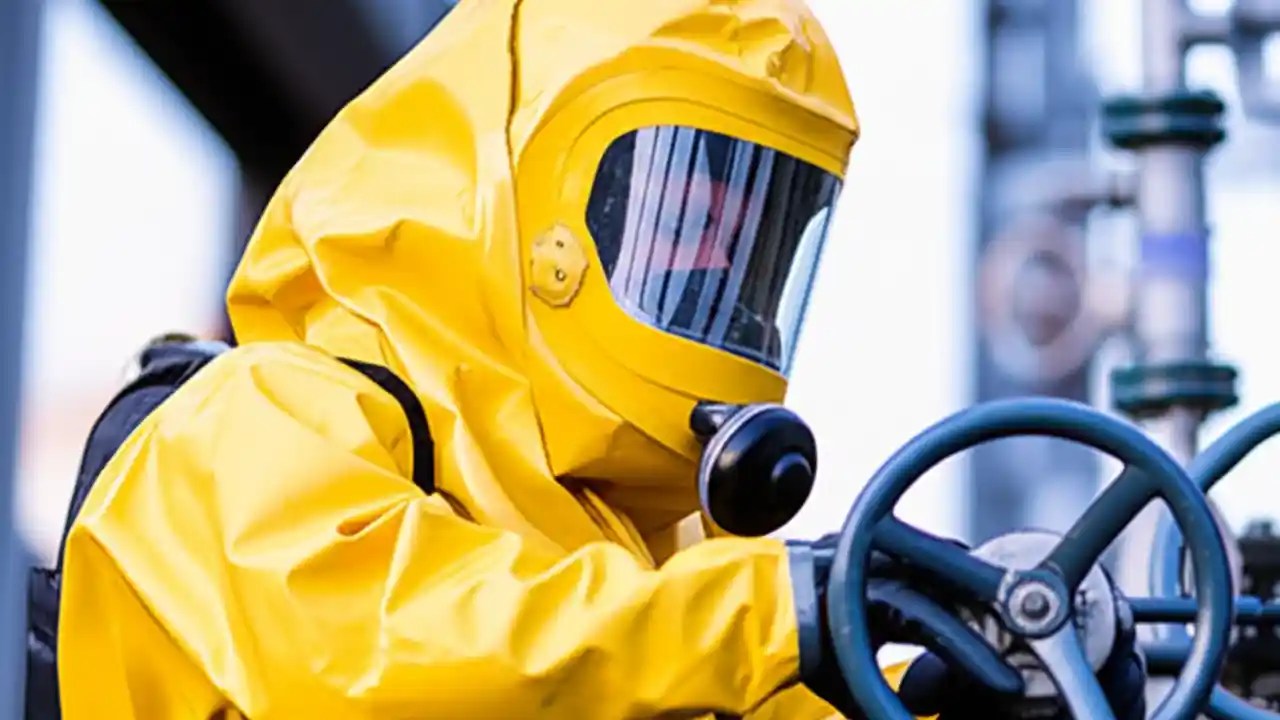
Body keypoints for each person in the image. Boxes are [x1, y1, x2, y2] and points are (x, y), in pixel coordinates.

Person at [55, 0, 1146, 717]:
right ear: (512, 201)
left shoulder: (654, 571)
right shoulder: (243, 428)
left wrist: (950, 687)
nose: (715, 257)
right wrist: (797, 609)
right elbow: (385, 665)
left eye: (750, 230)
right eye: (674, 204)